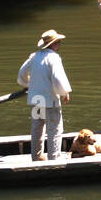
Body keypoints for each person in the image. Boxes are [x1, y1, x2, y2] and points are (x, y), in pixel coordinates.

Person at [17, 29, 72, 161]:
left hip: (36, 99)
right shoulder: (54, 58)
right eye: (58, 42)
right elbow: (58, 79)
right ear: (54, 44)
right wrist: (65, 93)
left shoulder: (34, 56)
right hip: (49, 100)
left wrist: (28, 84)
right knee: (55, 129)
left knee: (37, 128)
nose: (59, 45)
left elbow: (21, 74)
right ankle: (54, 158)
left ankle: (36, 156)